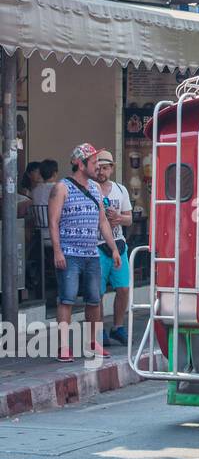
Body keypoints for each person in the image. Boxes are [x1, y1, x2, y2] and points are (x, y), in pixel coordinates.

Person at [47, 143, 118, 361]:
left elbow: (103, 221)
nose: (97, 167)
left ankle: (93, 344)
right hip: (69, 253)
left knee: (94, 301)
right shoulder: (62, 188)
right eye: (94, 162)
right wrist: (57, 251)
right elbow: (53, 221)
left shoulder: (96, 189)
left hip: (92, 254)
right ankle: (63, 347)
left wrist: (113, 248)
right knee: (67, 300)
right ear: (80, 163)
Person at [94, 151, 133, 347]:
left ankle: (118, 327)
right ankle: (99, 330)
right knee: (98, 292)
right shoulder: (90, 189)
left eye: (105, 167)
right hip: (97, 245)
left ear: (112, 168)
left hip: (118, 243)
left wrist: (118, 218)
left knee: (124, 288)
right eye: (98, 167)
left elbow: (129, 218)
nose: (101, 171)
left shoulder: (120, 189)